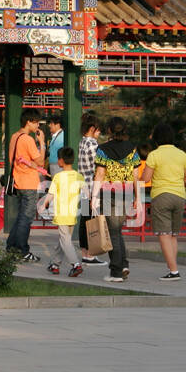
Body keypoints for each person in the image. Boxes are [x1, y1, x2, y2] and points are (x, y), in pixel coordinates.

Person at [138, 123, 186, 281]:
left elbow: (146, 179)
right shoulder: (181, 154)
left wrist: (138, 179)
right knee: (173, 235)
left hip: (161, 195)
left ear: (157, 138)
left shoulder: (154, 155)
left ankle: (174, 271)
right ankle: (172, 267)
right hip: (180, 196)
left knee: (163, 235)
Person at [94, 116, 141, 282]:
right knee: (117, 230)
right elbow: (136, 175)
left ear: (109, 131)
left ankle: (116, 272)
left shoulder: (102, 149)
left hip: (109, 193)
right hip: (127, 193)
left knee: (113, 233)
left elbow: (100, 174)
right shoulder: (132, 149)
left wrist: (93, 197)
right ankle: (124, 263)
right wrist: (138, 198)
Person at [4, 108, 46, 263]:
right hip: (29, 182)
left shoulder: (15, 137)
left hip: (18, 181)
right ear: (29, 122)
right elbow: (40, 161)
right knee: (26, 219)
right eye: (36, 123)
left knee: (21, 217)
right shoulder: (28, 140)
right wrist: (42, 143)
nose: (37, 127)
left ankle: (11, 247)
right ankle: (22, 250)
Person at [41, 145, 84, 278]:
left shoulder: (58, 177)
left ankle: (75, 264)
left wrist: (44, 204)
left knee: (65, 240)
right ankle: (55, 264)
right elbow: (84, 194)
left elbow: (51, 194)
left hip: (61, 212)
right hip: (73, 213)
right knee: (64, 239)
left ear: (61, 160)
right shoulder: (78, 176)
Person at [75, 113, 103, 264]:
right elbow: (98, 168)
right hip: (93, 187)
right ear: (92, 128)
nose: (99, 134)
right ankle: (90, 254)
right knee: (91, 221)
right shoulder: (93, 145)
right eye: (98, 130)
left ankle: (85, 253)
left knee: (85, 220)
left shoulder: (82, 142)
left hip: (84, 186)